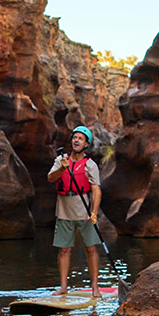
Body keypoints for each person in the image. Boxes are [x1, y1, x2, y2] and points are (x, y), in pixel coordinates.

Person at [48, 126, 104, 297]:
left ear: (86, 144)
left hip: (84, 210)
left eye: (80, 138)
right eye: (75, 137)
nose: (76, 140)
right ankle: (63, 286)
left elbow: (96, 190)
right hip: (64, 210)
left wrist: (94, 212)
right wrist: (62, 168)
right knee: (64, 250)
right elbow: (50, 178)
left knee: (90, 249)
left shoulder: (90, 165)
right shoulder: (61, 160)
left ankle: (95, 287)